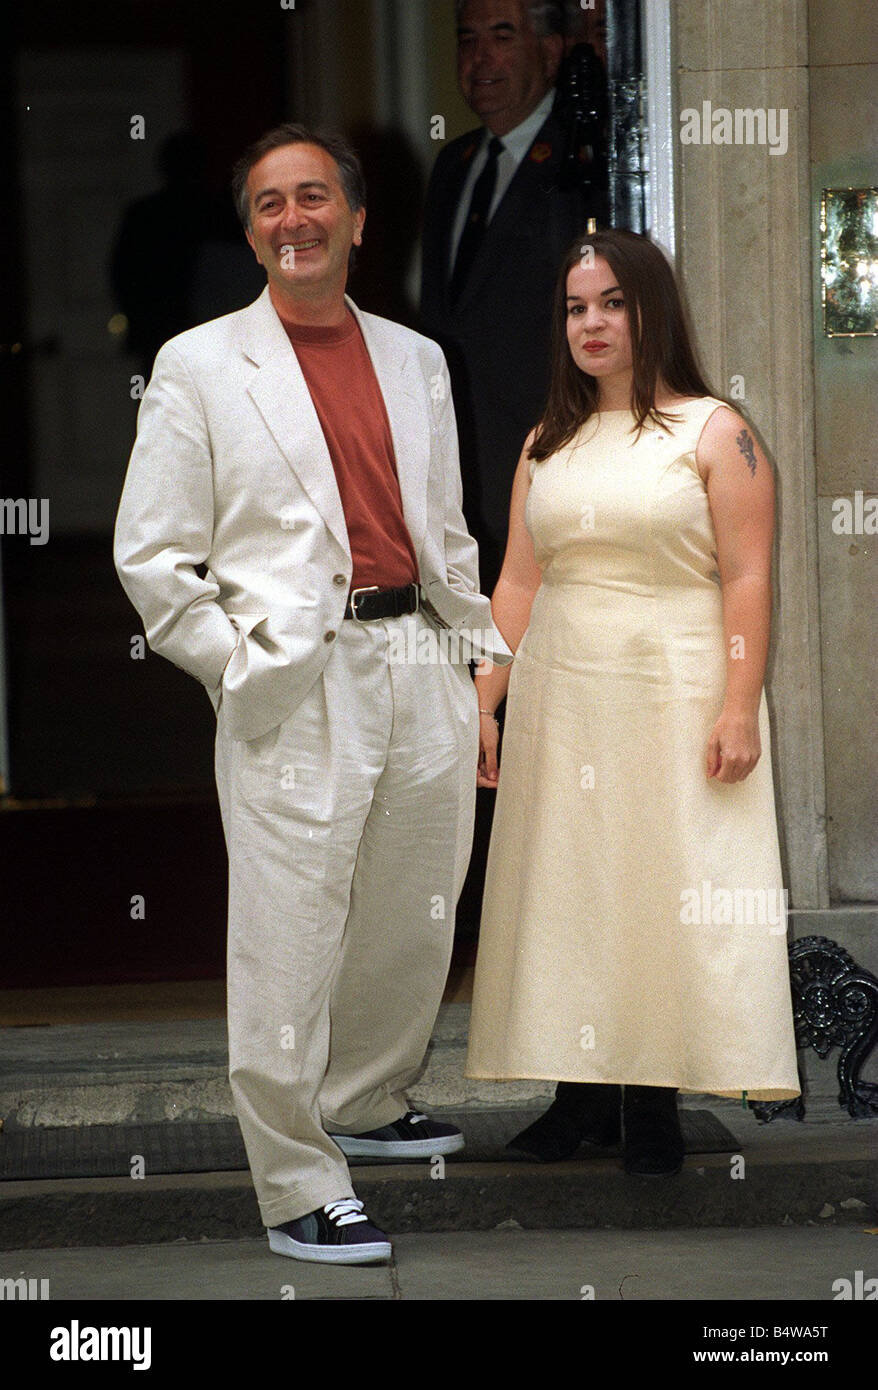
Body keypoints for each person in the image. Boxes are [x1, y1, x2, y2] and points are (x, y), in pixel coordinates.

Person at [113, 123, 512, 1264]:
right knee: (286, 934)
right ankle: (294, 1183)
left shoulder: (415, 357)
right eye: (271, 203)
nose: (296, 219)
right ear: (250, 229)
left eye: (315, 197)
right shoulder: (199, 364)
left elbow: (444, 528)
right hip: (295, 674)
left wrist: (477, 652)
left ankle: (370, 1097)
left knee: (413, 899)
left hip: (421, 660)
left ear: (356, 218)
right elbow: (151, 555)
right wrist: (232, 664)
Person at [465, 229, 800, 1176]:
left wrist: (739, 705)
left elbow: (746, 577)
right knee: (572, 889)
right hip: (567, 698)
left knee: (660, 886)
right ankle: (578, 1101)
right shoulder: (548, 441)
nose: (593, 323)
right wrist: (487, 698)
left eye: (612, 302)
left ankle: (651, 1104)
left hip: (674, 691)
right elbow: (519, 585)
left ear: (653, 308)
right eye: (576, 308)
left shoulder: (715, 430)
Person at [420, 0, 607, 594]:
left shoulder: (586, 156)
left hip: (549, 448)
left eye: (502, 36)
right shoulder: (454, 163)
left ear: (551, 52)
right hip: (459, 459)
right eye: (467, 39)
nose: (481, 58)